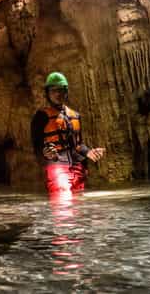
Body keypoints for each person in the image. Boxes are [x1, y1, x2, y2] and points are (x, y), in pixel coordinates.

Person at [30, 72, 105, 202]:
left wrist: (89, 152)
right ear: (48, 93)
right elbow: (36, 145)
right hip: (57, 165)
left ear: (66, 92)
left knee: (77, 204)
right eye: (54, 91)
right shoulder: (41, 116)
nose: (58, 94)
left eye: (61, 90)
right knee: (62, 200)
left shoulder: (75, 115)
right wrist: (45, 153)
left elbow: (78, 144)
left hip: (77, 167)